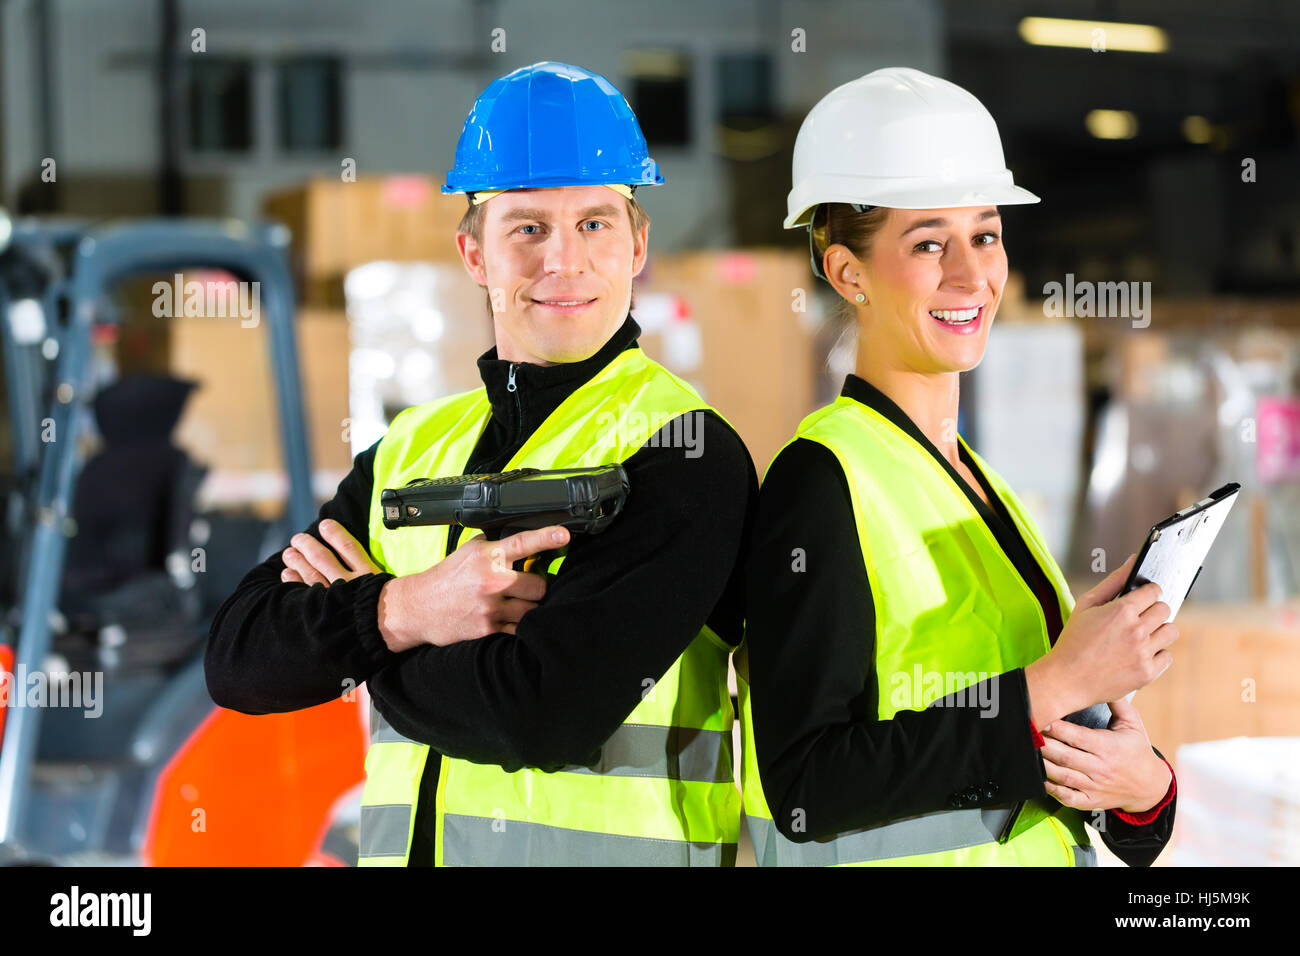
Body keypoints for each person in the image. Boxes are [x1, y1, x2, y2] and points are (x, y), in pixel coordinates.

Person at [205, 61, 756, 866]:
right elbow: (240, 661)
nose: (562, 261)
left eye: (594, 225)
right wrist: (403, 611)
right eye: (526, 228)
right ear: (473, 252)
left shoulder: (683, 452)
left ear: (638, 244)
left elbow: (540, 712)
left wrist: (364, 652)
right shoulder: (409, 449)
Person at [737, 67, 1177, 866]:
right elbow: (804, 785)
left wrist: (1141, 788)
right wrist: (1056, 685)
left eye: (985, 233)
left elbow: (1039, 773)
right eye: (929, 242)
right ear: (847, 273)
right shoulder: (820, 482)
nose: (971, 275)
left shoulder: (977, 482)